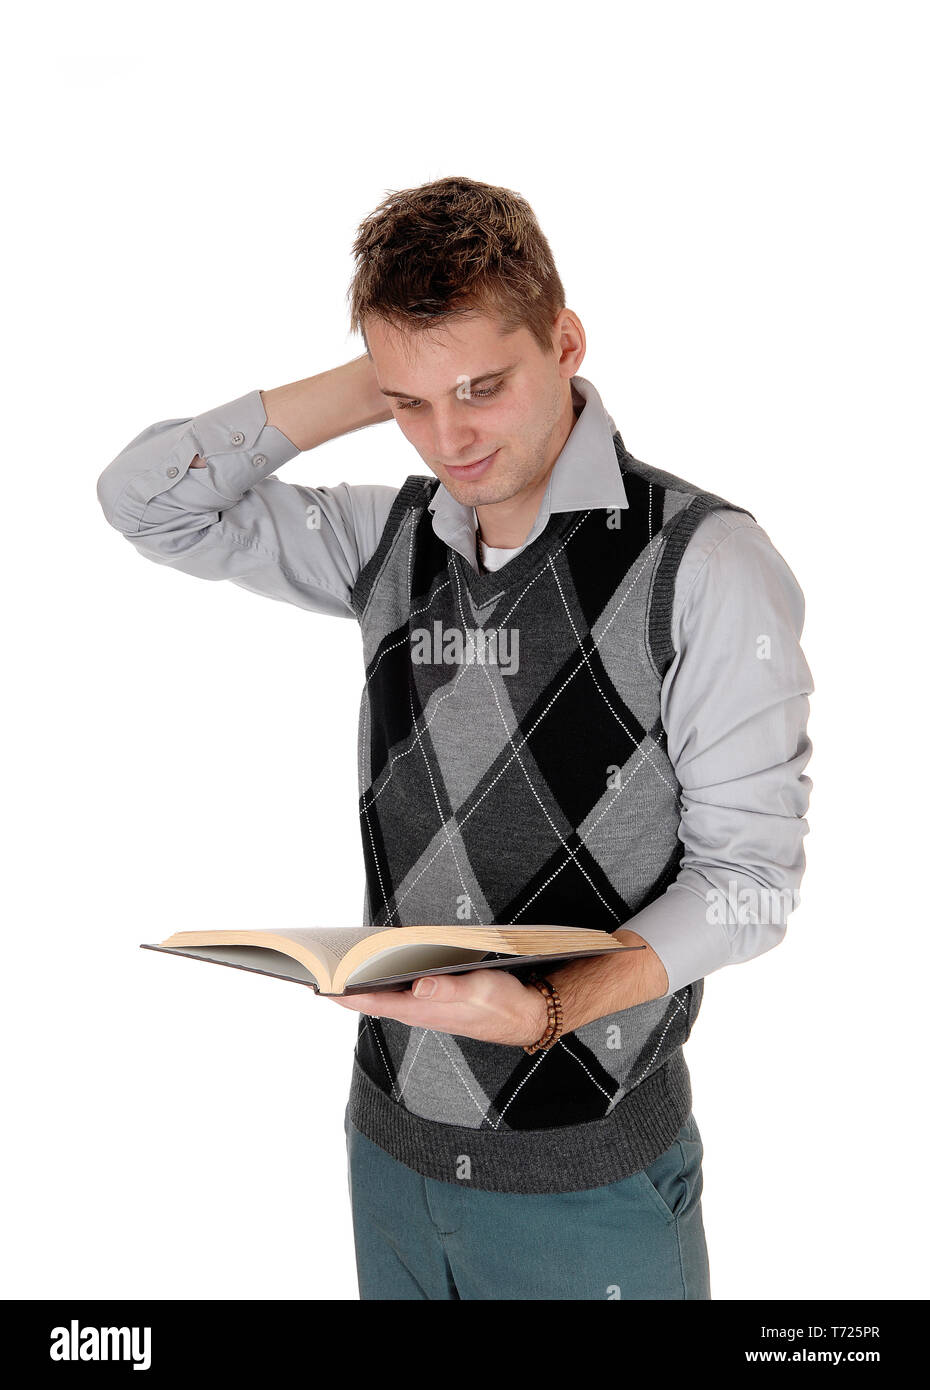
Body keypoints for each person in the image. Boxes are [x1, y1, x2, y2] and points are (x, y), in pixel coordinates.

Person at [96, 174, 814, 1300]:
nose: (451, 438)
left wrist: (546, 1009)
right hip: (391, 1154)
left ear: (565, 340)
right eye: (413, 403)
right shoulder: (387, 540)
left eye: (483, 385)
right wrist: (386, 377)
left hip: (588, 1181)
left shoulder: (705, 563)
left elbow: (752, 884)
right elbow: (147, 502)